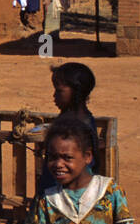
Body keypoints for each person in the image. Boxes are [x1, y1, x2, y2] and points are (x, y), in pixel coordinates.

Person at [35, 62, 99, 195]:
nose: (54, 95)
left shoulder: (81, 127)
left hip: (65, 197)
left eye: (59, 91)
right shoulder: (66, 119)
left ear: (76, 91)